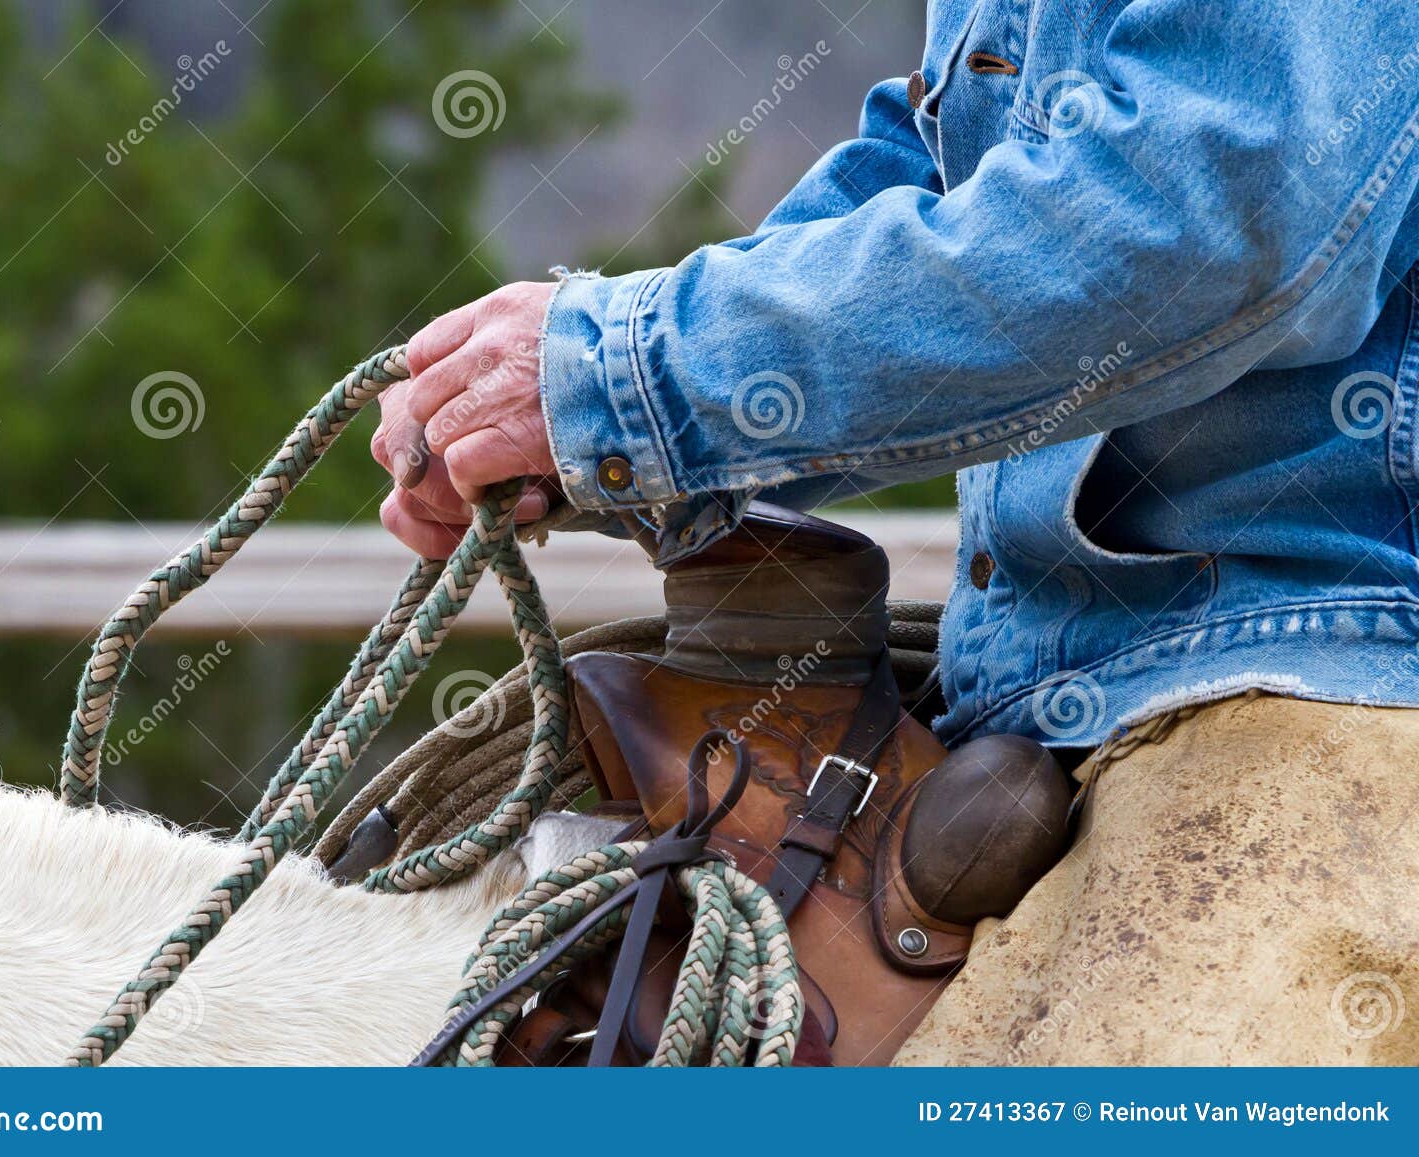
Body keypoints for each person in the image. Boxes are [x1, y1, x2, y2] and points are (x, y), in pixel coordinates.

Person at [372, 1, 1419, 1063]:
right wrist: (606, 421)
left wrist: (636, 376)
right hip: (1021, 687)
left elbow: (1223, 209)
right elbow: (944, 170)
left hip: (1325, 673)